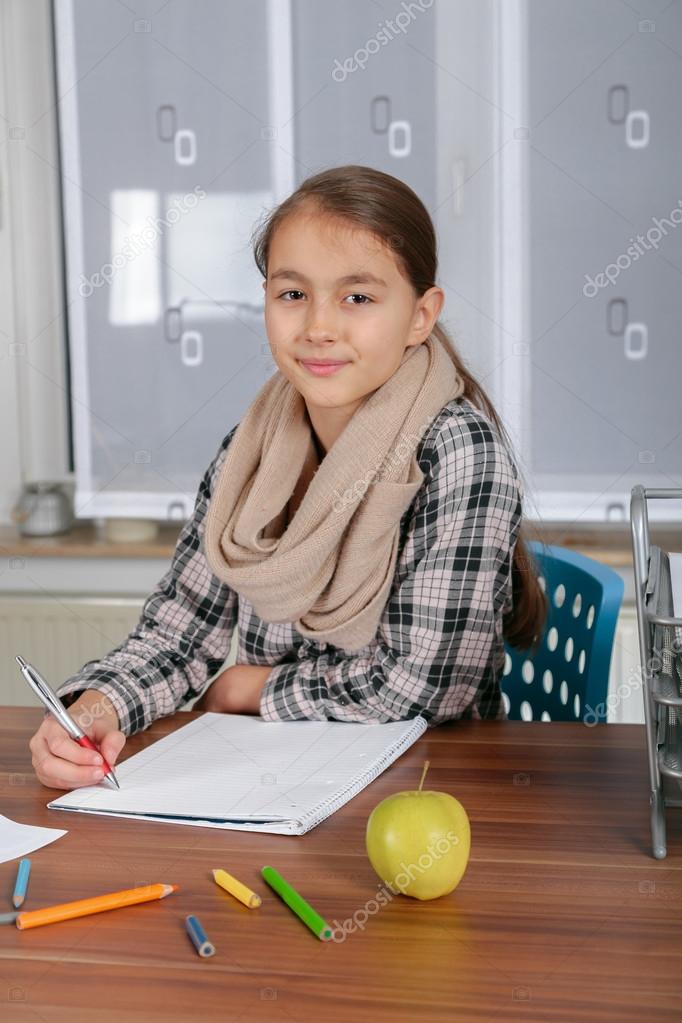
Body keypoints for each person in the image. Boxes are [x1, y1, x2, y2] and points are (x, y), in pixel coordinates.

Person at [29, 164, 546, 791]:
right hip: (275, 779)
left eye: (358, 298)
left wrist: (251, 689)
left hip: (426, 786)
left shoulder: (460, 452)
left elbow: (424, 687)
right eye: (293, 295)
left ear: (421, 315)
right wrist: (93, 708)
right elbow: (179, 634)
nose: (318, 328)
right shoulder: (251, 450)